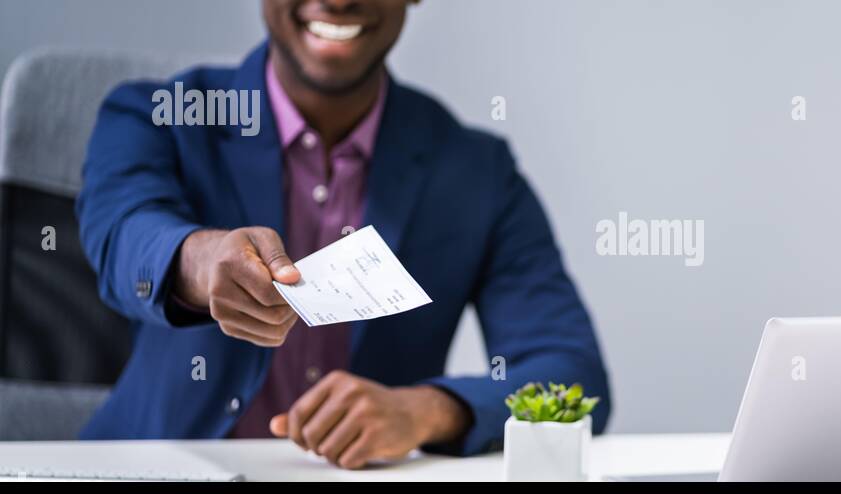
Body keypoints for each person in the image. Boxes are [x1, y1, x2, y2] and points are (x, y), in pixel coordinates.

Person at [75, 0, 610, 469]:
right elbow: (122, 234)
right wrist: (201, 260)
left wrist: (430, 410)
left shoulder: (477, 172)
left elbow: (571, 373)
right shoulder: (154, 118)